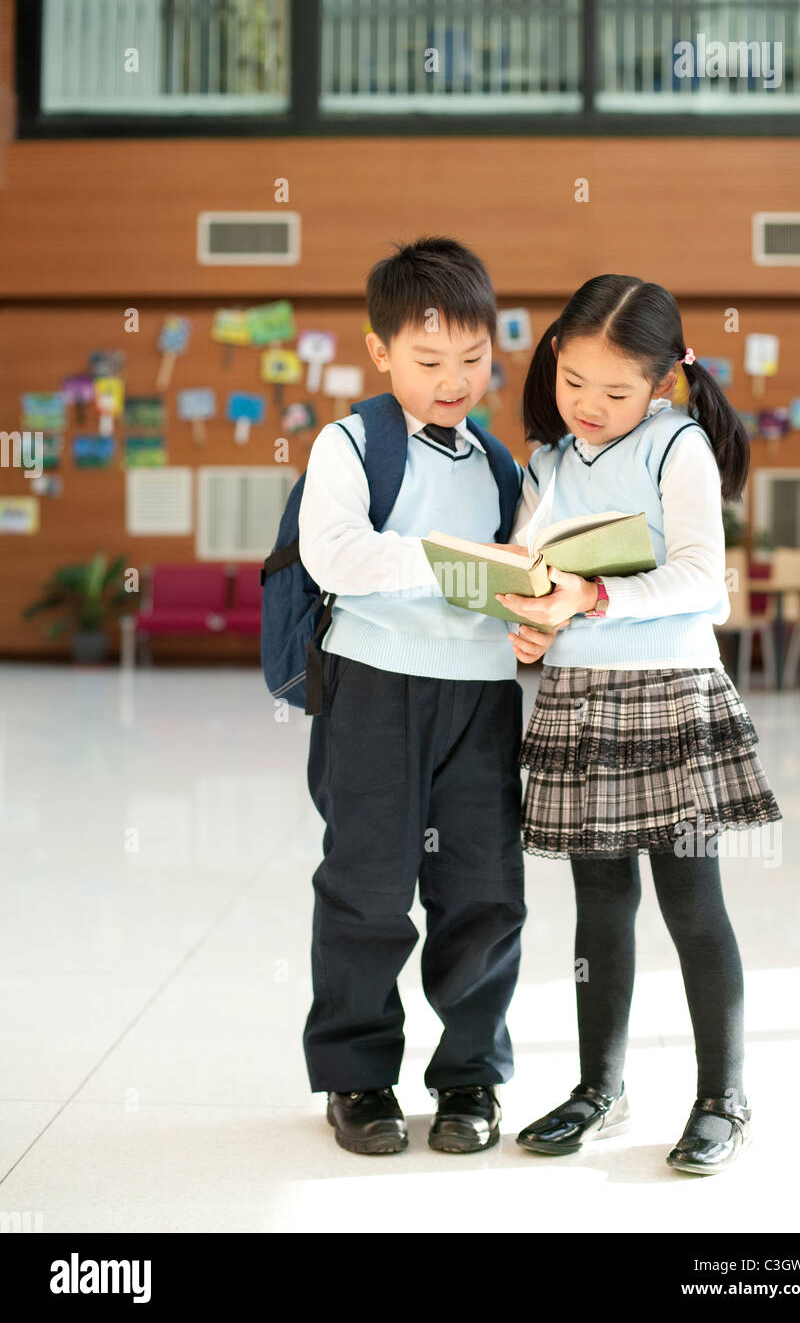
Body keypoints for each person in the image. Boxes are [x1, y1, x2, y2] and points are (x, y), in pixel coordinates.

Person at [498, 274, 782, 1175]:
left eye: (617, 391)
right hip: (579, 698)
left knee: (693, 906)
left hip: (670, 691)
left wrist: (597, 595)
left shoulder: (677, 446)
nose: (589, 405)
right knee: (600, 907)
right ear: (553, 362)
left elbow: (706, 581)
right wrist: (531, 621)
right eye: (574, 380)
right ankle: (600, 1088)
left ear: (661, 384)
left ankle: (722, 1097)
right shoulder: (544, 462)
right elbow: (531, 575)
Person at [297, 237, 550, 1155]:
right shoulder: (351, 442)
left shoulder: (497, 464)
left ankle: (471, 1081)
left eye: (475, 361)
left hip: (480, 698)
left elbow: (518, 579)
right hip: (373, 687)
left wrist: (529, 616)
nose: (455, 380)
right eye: (429, 361)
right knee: (366, 887)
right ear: (380, 353)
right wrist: (456, 567)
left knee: (484, 893)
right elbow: (336, 555)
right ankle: (357, 1079)